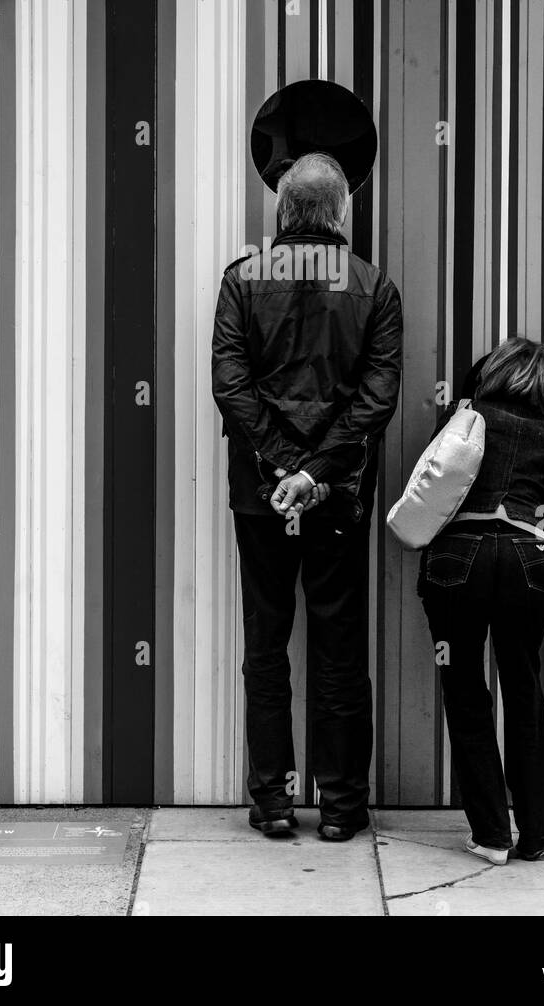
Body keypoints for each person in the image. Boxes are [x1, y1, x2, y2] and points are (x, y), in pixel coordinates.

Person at [212, 152, 402, 841]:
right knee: (339, 648)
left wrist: (284, 468)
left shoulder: (242, 282)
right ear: (341, 212)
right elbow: (377, 400)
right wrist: (316, 474)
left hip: (262, 499)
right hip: (339, 498)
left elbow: (231, 387)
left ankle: (272, 804)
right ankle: (344, 806)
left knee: (265, 644)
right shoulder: (375, 288)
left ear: (283, 211)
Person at [418, 337, 544, 864]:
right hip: (527, 561)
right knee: (523, 685)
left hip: (457, 558)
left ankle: (491, 834)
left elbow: (432, 485)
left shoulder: (463, 420)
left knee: (465, 688)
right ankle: (537, 831)